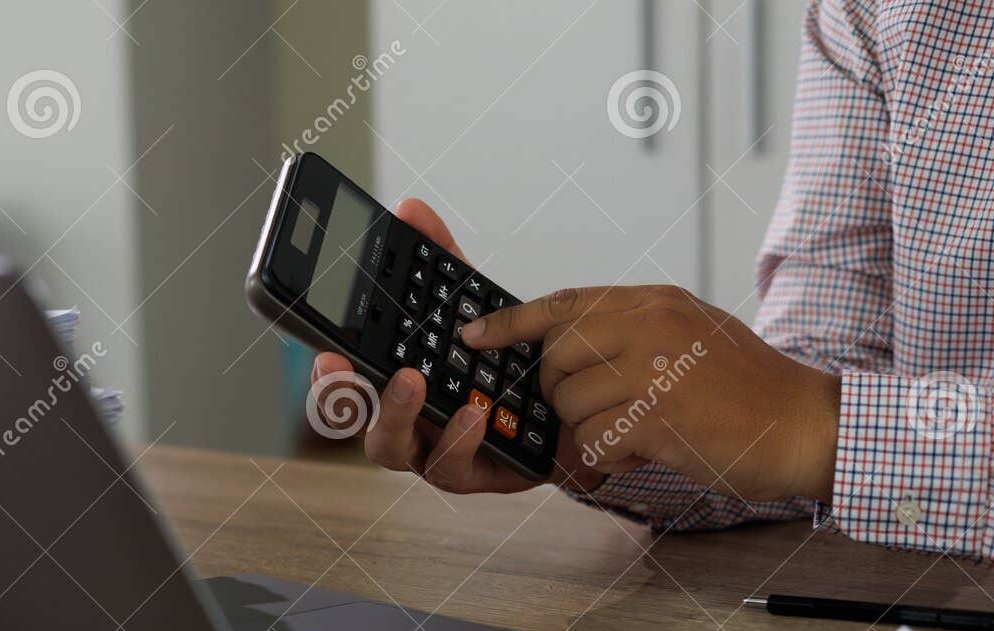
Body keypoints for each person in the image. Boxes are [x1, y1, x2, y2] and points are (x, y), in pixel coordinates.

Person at [313, 0, 992, 562]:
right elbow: (824, 380)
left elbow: (808, 419)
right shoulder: (870, 10)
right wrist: (587, 435)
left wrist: (820, 429)